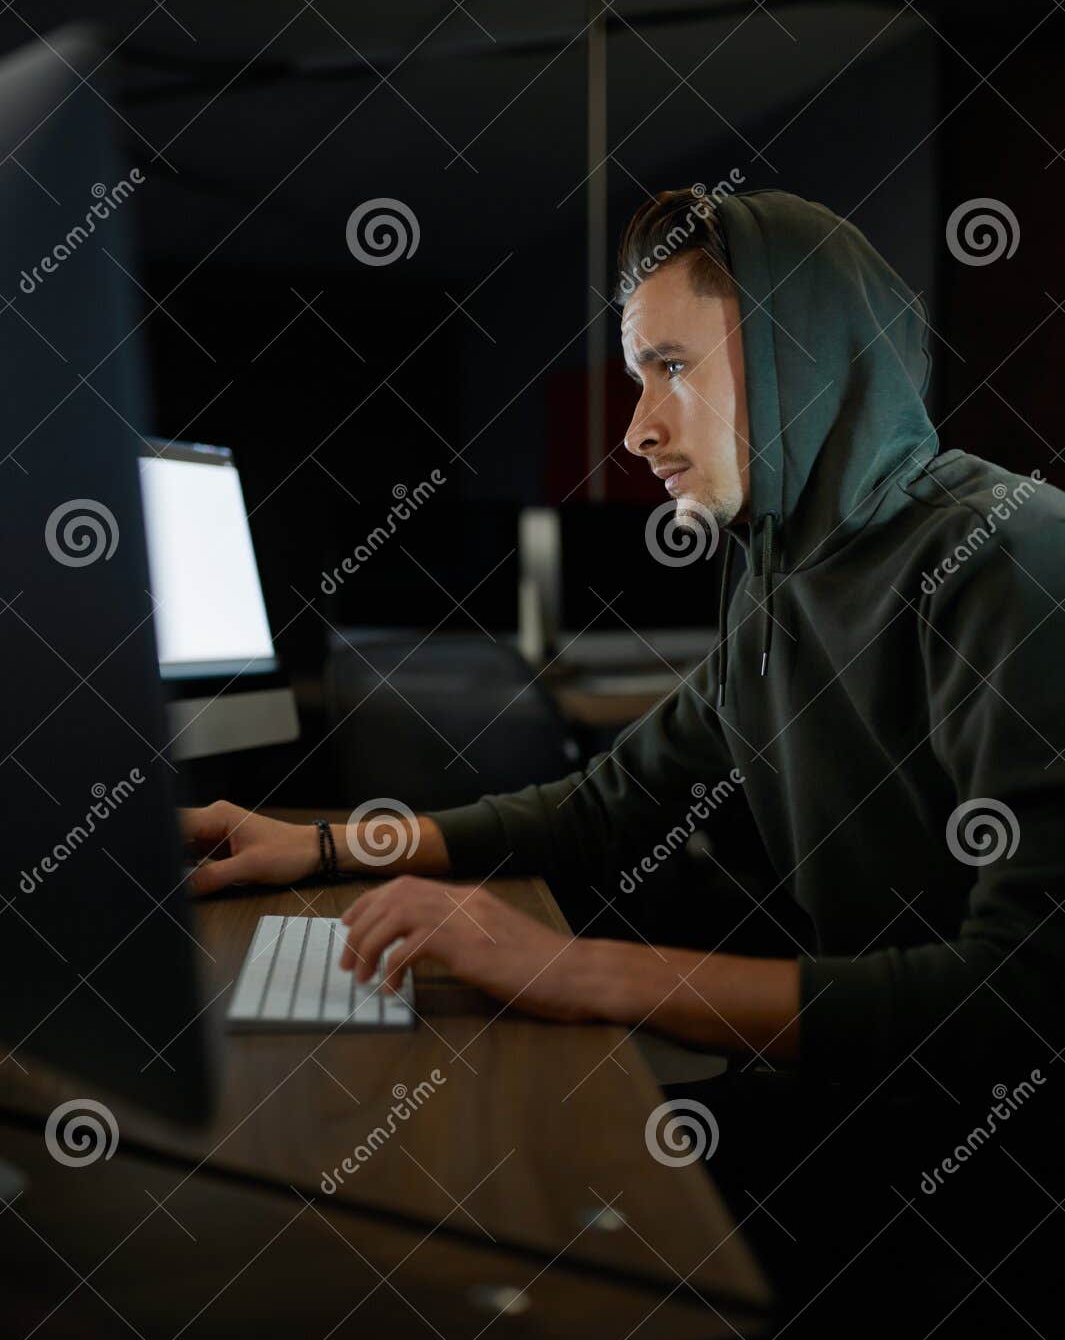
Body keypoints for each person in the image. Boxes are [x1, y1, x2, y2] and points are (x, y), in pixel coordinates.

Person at [183, 186, 1065, 1098]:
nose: (637, 431)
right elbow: (611, 804)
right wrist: (327, 847)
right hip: (869, 1080)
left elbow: (1028, 996)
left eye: (671, 366)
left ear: (794, 357)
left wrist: (576, 972)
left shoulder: (1013, 561)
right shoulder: (775, 570)